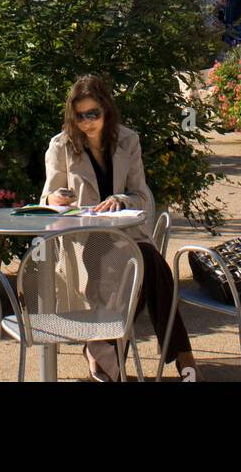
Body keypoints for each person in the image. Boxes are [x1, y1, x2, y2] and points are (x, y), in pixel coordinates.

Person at [41, 74, 195, 382]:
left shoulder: (127, 140)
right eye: (80, 116)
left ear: (106, 110)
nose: (86, 122)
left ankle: (102, 348)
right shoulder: (61, 147)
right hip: (85, 242)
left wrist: (120, 200)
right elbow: (46, 198)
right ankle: (182, 355)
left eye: (93, 114)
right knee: (147, 265)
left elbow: (142, 196)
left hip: (125, 236)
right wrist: (56, 197)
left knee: (145, 261)